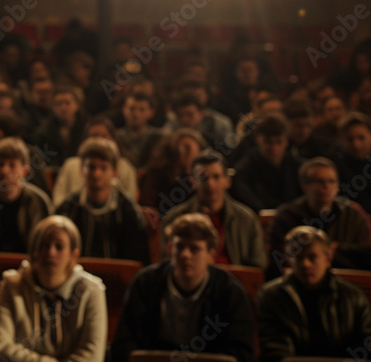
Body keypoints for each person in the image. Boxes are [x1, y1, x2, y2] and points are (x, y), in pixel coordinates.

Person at [111, 213, 256, 362]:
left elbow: (241, 352)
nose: (185, 254)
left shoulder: (230, 292)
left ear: (211, 255)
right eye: (180, 246)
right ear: (169, 249)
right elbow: (123, 344)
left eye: (194, 248)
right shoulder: (145, 283)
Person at [258, 226, 371, 362]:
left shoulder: (353, 297)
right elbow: (275, 352)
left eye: (312, 257)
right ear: (289, 260)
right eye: (298, 257)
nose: (305, 264)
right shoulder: (273, 295)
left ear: (328, 257)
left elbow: (370, 349)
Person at [0, 215, 108, 362]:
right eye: (44, 245)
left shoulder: (91, 291)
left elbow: (92, 356)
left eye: (59, 246)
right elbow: (1, 347)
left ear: (74, 255)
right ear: (35, 250)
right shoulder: (12, 284)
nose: (50, 252)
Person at [268, 157, 371, 279]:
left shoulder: (354, 214)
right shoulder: (287, 215)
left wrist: (333, 250)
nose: (326, 186)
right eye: (319, 181)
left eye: (331, 181)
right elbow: (277, 260)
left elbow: (369, 259)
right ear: (304, 185)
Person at [160, 150, 266, 268]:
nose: (210, 184)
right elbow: (166, 263)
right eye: (203, 177)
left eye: (216, 177)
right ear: (193, 182)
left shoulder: (247, 219)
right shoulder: (176, 218)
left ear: (227, 181)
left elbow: (257, 266)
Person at [57, 138, 150, 263]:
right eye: (91, 167)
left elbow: (136, 259)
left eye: (103, 168)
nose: (96, 174)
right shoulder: (68, 207)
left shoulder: (128, 211)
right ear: (81, 169)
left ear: (114, 171)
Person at [0, 137, 53, 253]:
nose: (4, 170)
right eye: (0, 164)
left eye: (12, 165)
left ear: (25, 171)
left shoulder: (39, 201)